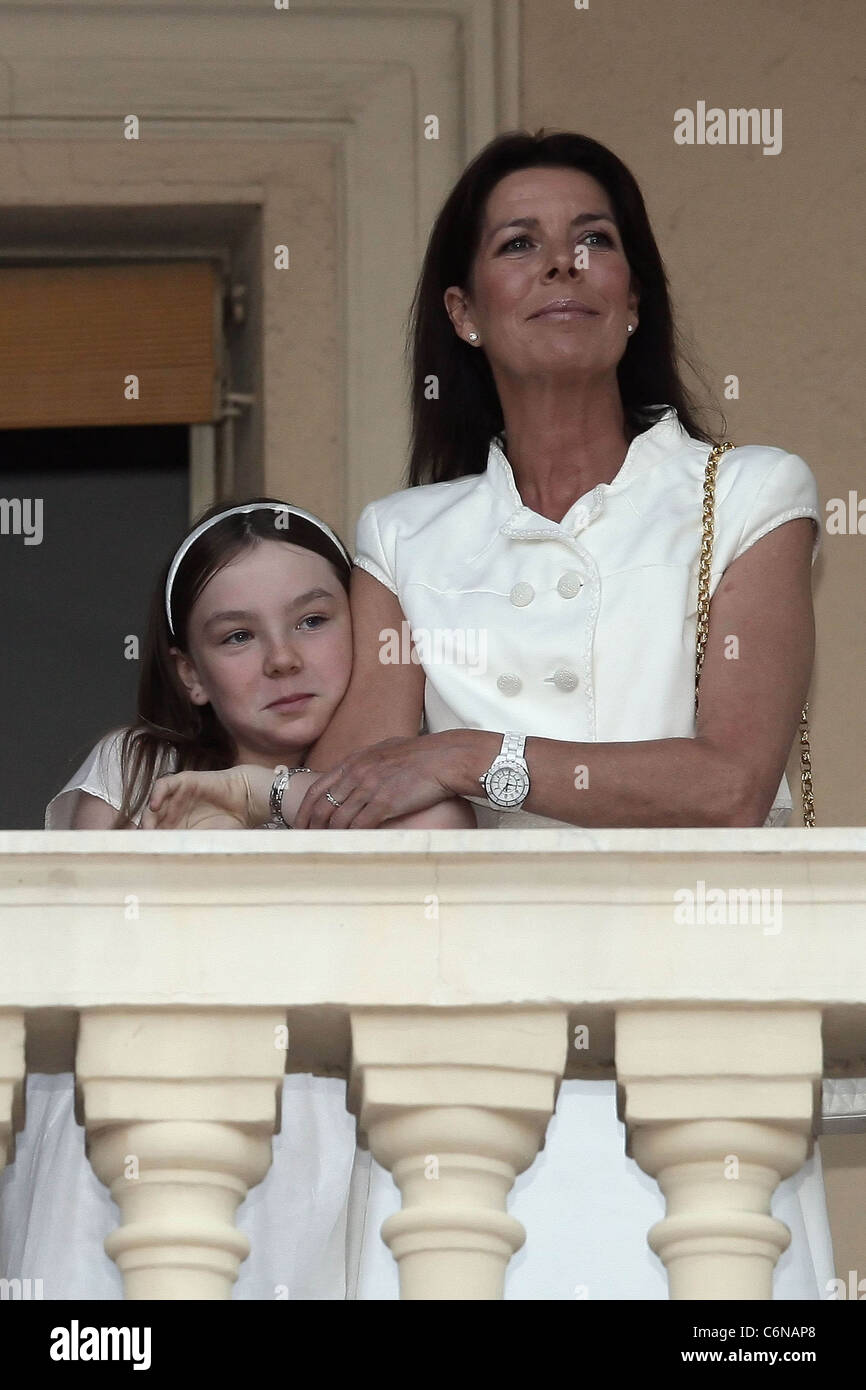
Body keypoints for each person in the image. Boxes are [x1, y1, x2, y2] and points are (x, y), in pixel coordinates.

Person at [151, 130, 837, 1298]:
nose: (562, 265)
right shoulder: (405, 535)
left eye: (593, 242)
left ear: (631, 299)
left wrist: (474, 756)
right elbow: (361, 793)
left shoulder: (751, 490)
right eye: (521, 245)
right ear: (464, 313)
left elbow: (725, 782)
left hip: (702, 1048)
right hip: (460, 1069)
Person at [0, 496, 473, 1300]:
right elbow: (76, 947)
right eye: (238, 636)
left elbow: (445, 844)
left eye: (314, 621)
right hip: (136, 1126)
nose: (283, 659)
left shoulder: (401, 786)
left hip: (319, 1128)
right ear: (190, 672)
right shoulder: (137, 765)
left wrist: (271, 796)